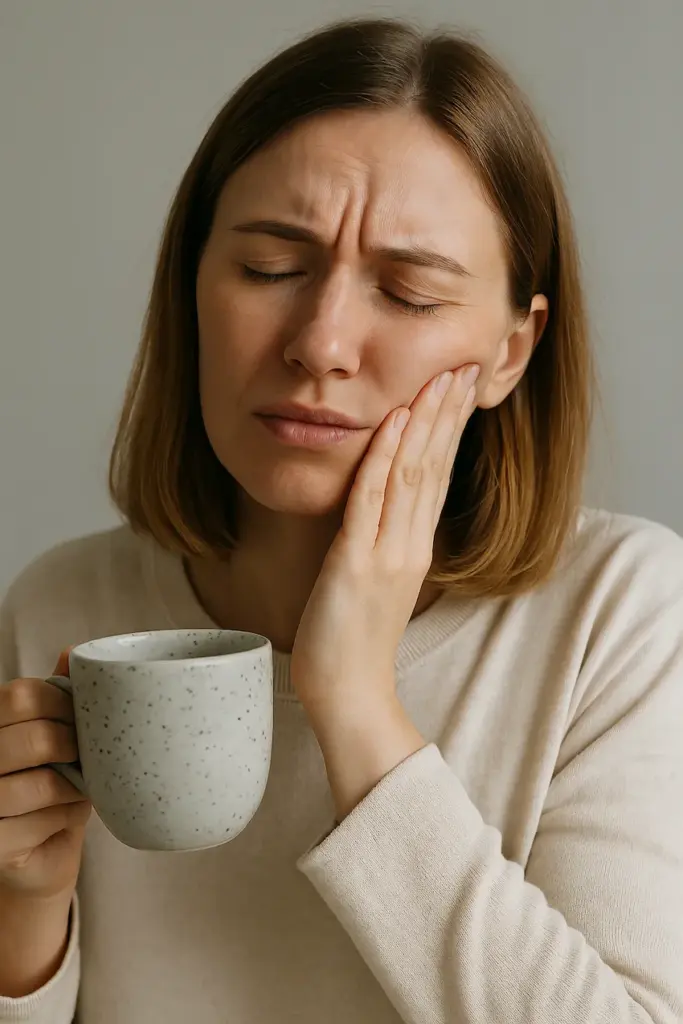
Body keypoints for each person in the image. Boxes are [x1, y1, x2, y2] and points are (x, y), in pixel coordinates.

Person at [0, 15, 681, 1024]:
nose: (320, 343)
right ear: (192, 284)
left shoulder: (616, 612)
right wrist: (22, 913)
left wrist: (355, 701)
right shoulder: (69, 604)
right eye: (270, 269)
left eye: (405, 293)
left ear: (508, 350)